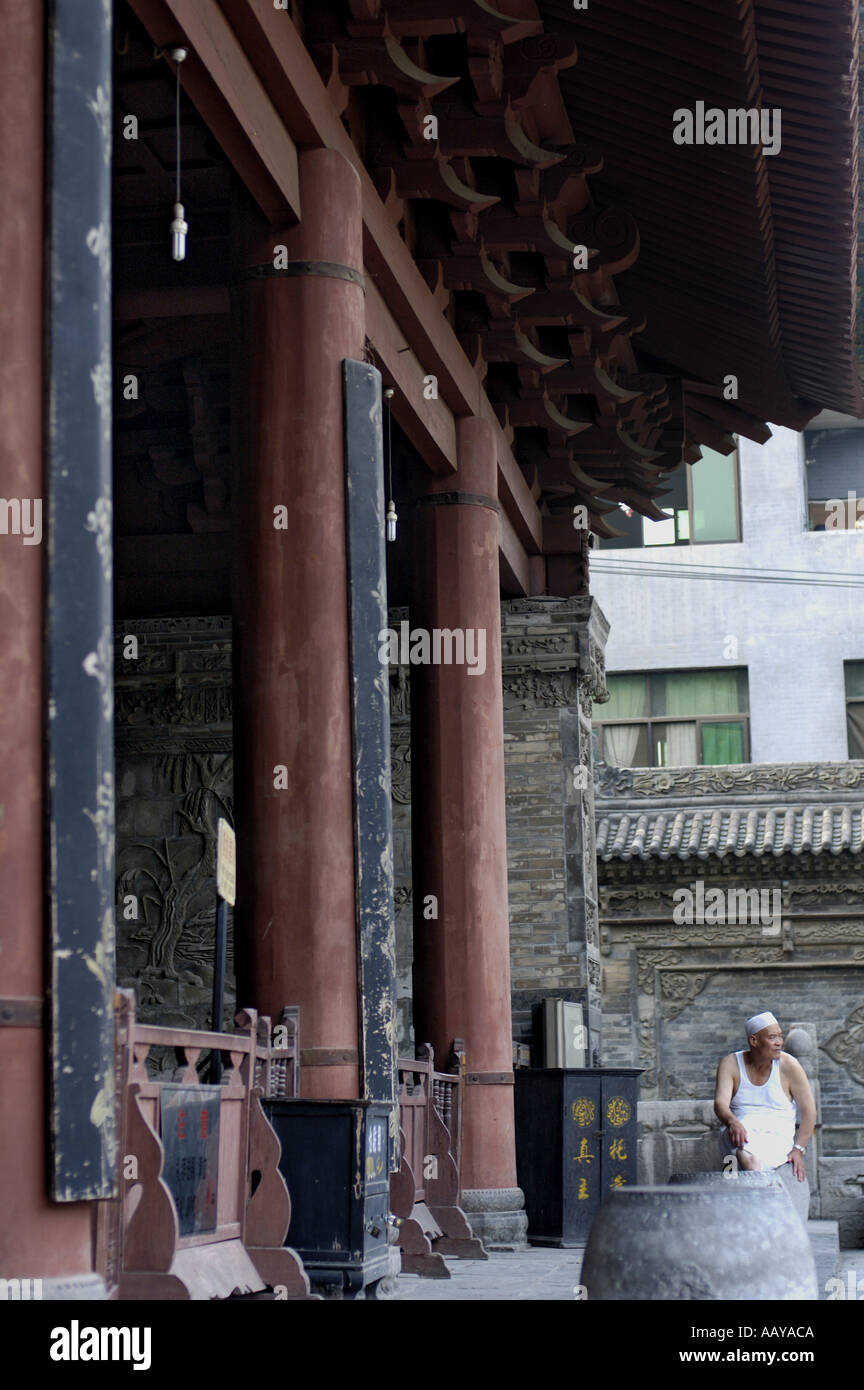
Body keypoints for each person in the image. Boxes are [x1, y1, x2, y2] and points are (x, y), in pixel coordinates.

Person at [714, 1011, 816, 1180]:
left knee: (753, 1159)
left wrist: (798, 1149)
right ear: (754, 1041)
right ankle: (735, 1177)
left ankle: (754, 1173)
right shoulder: (730, 1063)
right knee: (731, 1153)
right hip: (738, 1131)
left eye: (780, 1037)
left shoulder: (789, 1065)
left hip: (776, 1133)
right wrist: (733, 1122)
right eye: (772, 1037)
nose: (779, 1043)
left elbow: (810, 1112)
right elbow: (720, 1104)